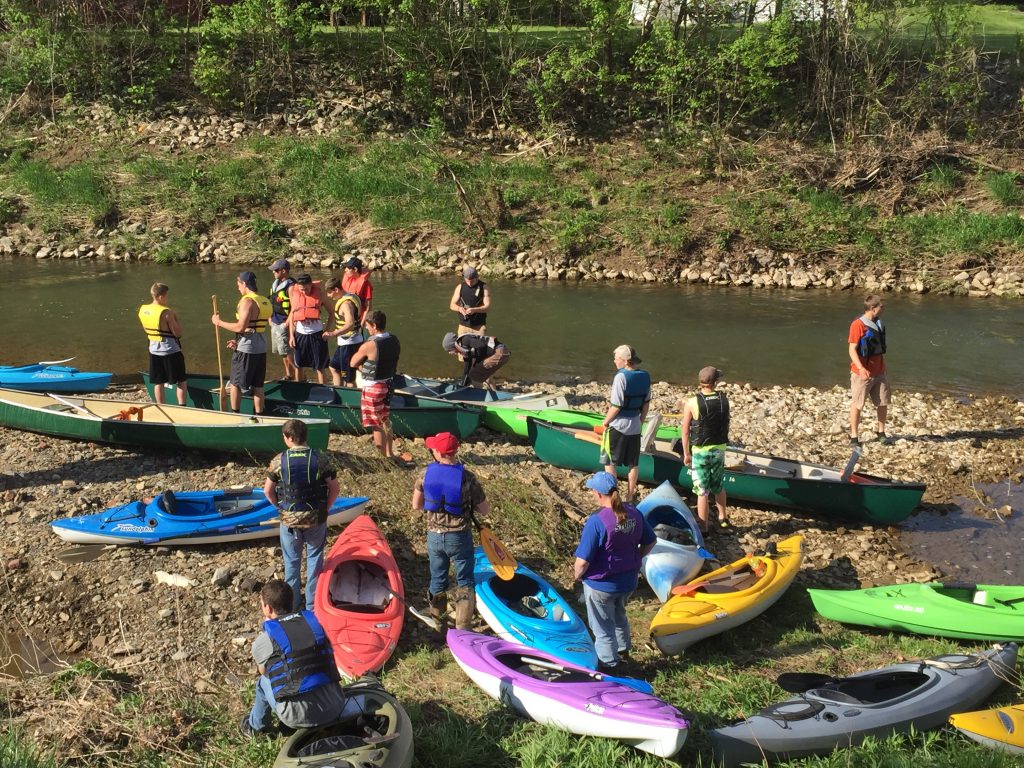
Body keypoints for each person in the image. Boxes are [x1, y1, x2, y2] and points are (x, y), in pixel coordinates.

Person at [241, 579, 349, 737]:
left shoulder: (263, 641)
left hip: (297, 716)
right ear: (291, 602)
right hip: (336, 704)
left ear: (268, 607)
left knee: (262, 684)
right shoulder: (315, 625)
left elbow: (265, 672)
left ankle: (255, 727)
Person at [573, 472, 656, 673]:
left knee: (602, 628)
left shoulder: (597, 521)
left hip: (601, 584)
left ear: (598, 493)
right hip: (627, 581)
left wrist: (577, 577)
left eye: (592, 490)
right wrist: (636, 558)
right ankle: (623, 652)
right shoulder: (634, 513)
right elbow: (650, 541)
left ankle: (609, 667)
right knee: (620, 615)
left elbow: (582, 562)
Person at [410, 431, 491, 630]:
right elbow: (484, 509)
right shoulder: (467, 477)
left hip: (435, 538)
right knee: (464, 581)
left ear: (438, 452)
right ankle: (462, 628)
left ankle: (438, 625)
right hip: (460, 537)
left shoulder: (425, 474)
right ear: (456, 451)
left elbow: (416, 505)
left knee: (438, 579)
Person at [263, 419, 340, 612]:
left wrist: (279, 508)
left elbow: (267, 491)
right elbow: (334, 488)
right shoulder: (320, 458)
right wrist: (326, 509)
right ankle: (313, 606)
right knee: (314, 561)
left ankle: (293, 604)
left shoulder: (278, 460)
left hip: (289, 520)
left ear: (290, 438)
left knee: (292, 561)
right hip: (315, 517)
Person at [211, 272, 272, 414]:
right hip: (260, 345)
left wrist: (218, 322)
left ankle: (235, 413)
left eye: (239, 285)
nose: (238, 288)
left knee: (235, 383)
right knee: (258, 385)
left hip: (247, 349)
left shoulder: (247, 302)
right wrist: (238, 341)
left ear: (244, 284)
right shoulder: (264, 301)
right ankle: (259, 415)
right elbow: (253, 329)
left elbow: (241, 327)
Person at [679, 366, 730, 534]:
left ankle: (704, 527)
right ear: (715, 382)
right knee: (718, 485)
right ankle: (723, 518)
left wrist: (686, 453)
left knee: (702, 491)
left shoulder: (692, 402)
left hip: (700, 450)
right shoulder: (724, 399)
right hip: (719, 447)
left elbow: (685, 430)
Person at [598, 345, 651, 503]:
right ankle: (629, 496)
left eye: (617, 358)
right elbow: (646, 403)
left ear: (625, 361)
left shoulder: (621, 377)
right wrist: (640, 421)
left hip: (618, 425)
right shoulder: (645, 375)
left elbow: (616, 405)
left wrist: (605, 422)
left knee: (609, 461)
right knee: (633, 463)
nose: (614, 361)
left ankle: (614, 495)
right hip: (635, 424)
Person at [350, 311, 401, 461]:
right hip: (388, 384)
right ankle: (390, 453)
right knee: (386, 420)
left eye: (367, 326)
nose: (366, 329)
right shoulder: (394, 339)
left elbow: (352, 362)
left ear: (374, 325)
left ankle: (382, 458)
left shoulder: (370, 345)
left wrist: (362, 367)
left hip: (373, 388)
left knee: (376, 424)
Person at [848, 294, 890, 445]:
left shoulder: (878, 323)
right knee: (858, 404)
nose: (883, 309)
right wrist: (861, 368)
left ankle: (881, 432)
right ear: (873, 308)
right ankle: (854, 436)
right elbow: (852, 350)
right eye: (881, 307)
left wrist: (882, 370)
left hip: (880, 371)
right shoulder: (857, 325)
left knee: (883, 402)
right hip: (862, 373)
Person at [139, 282, 187, 405]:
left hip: (153, 349)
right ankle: (182, 406)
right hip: (170, 350)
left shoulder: (143, 310)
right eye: (166, 296)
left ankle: (162, 406)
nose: (167, 298)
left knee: (158, 381)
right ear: (160, 296)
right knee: (181, 380)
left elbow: (146, 330)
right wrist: (176, 318)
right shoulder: (167, 313)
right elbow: (178, 333)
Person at [288, 274, 328, 384]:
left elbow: (332, 314)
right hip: (300, 334)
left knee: (320, 367)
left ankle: (323, 392)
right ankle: (300, 391)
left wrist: (327, 331)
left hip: (317, 334)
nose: (304, 291)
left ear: (311, 285)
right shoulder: (294, 293)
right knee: (299, 365)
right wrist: (291, 335)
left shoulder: (320, 295)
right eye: (301, 289)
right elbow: (292, 314)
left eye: (306, 289)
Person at [324, 277, 363, 388]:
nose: (328, 296)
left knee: (349, 379)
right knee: (333, 367)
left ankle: (351, 402)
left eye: (329, 293)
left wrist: (333, 333)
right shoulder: (352, 296)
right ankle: (338, 392)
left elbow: (350, 324)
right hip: (345, 343)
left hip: (349, 344)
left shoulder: (345, 304)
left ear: (336, 290)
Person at [441, 331, 510, 390]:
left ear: (453, 346)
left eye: (449, 350)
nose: (450, 353)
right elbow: (466, 371)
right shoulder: (464, 350)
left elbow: (481, 346)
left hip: (499, 352)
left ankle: (479, 396)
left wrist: (477, 360)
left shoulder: (465, 340)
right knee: (482, 374)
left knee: (474, 375)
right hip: (499, 353)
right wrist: (463, 385)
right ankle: (495, 392)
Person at [268, 258, 296, 381]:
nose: (273, 272)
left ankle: (299, 374)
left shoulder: (290, 286)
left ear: (283, 271)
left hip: (284, 322)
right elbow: (271, 301)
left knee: (287, 351)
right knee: (282, 352)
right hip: (275, 321)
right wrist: (269, 317)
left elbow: (294, 307)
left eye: (275, 270)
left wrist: (287, 323)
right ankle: (288, 374)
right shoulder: (276, 284)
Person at [449, 266, 490, 337]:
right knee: (462, 347)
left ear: (477, 277)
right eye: (467, 281)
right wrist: (459, 309)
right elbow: (452, 305)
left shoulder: (484, 287)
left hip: (479, 327)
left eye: (472, 281)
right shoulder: (460, 287)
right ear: (464, 278)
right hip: (463, 326)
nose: (470, 283)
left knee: (480, 347)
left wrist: (474, 310)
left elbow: (488, 307)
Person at [341, 257, 373, 324]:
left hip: (359, 320)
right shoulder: (348, 280)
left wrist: (362, 324)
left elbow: (368, 307)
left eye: (348, 268)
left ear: (355, 269)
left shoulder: (366, 285)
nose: (345, 270)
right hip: (346, 319)